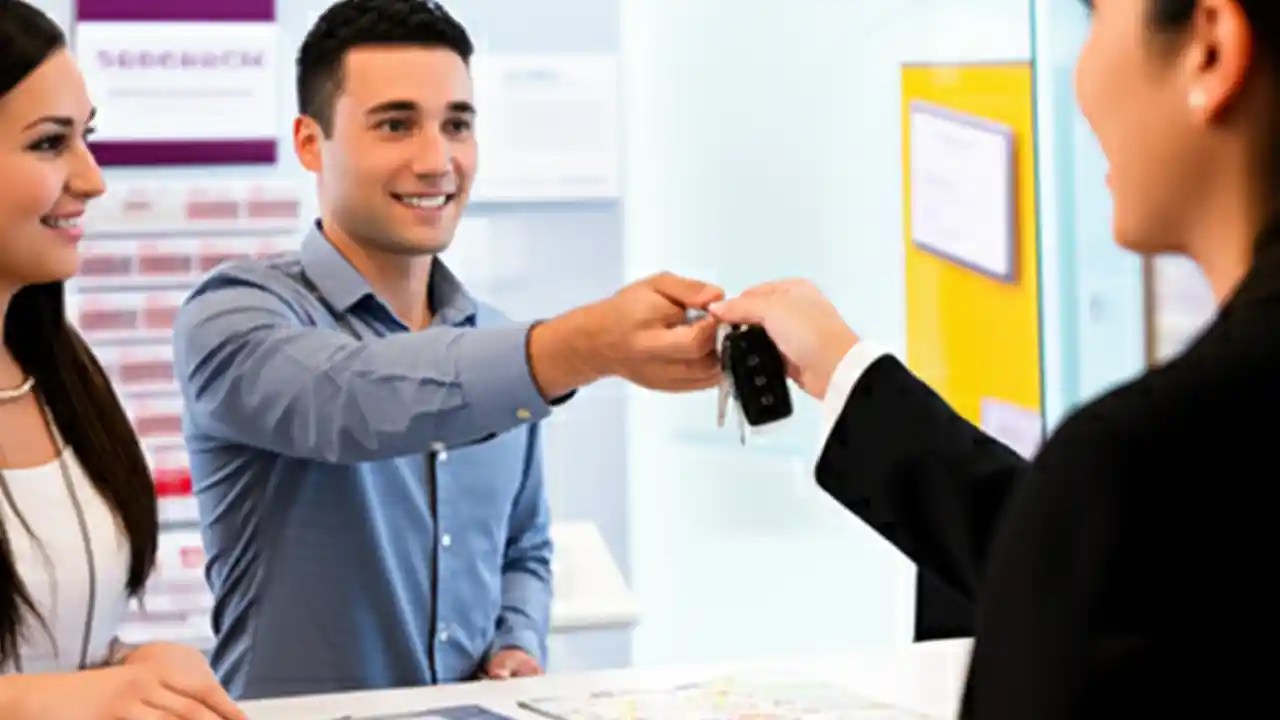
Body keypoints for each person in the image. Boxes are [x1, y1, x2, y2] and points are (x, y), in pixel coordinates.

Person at [710, 0, 1272, 716]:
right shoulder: (1145, 479)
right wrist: (845, 372)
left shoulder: (1137, 467)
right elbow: (1086, 565)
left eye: (1096, 17)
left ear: (1211, 49)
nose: (1081, 78)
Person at [172, 0, 721, 701]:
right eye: (396, 125)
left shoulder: (500, 343)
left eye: (456, 125)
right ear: (311, 143)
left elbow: (522, 547)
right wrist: (584, 346)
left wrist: (517, 640)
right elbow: (352, 401)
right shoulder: (234, 317)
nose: (436, 161)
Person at [0, 2, 246, 718]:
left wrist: (129, 663)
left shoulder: (59, 370)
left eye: (88, 137)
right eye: (50, 143)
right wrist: (75, 697)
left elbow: (41, 646)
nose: (92, 178)